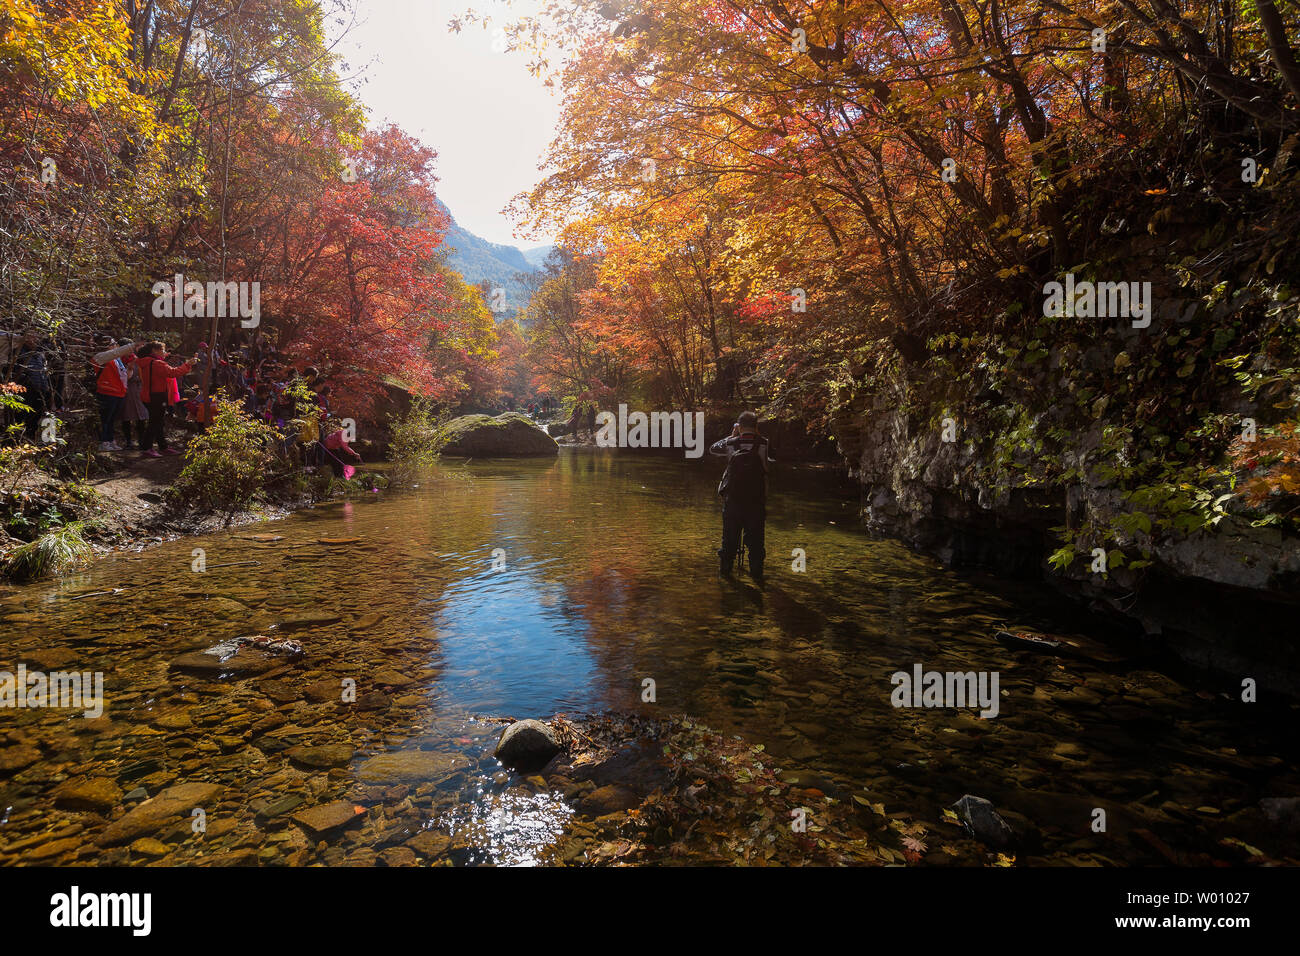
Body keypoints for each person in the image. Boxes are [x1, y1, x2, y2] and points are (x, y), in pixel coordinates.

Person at [709, 410, 771, 578]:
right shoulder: (764, 444)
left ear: (740, 426)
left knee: (729, 540)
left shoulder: (730, 444)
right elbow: (768, 467)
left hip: (733, 501)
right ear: (756, 426)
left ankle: (725, 574)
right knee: (756, 543)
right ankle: (757, 576)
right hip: (756, 501)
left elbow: (713, 449)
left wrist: (731, 435)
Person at [136, 342, 195, 457]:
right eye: (162, 350)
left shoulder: (147, 362)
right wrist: (188, 364)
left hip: (148, 395)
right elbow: (174, 372)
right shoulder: (157, 363)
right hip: (157, 396)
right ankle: (147, 448)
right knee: (155, 422)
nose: (165, 352)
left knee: (158, 421)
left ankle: (162, 447)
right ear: (154, 350)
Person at [90, 335, 139, 451]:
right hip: (107, 392)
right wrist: (133, 346)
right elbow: (114, 353)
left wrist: (130, 368)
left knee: (112, 419)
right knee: (105, 419)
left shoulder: (117, 359)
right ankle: (104, 442)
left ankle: (111, 440)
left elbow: (126, 376)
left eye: (115, 343)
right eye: (113, 344)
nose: (115, 346)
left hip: (119, 393)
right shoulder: (100, 357)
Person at [118, 339, 149, 450]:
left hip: (138, 390)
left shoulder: (137, 359)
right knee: (126, 417)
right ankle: (128, 441)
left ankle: (141, 440)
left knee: (141, 416)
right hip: (125, 391)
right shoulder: (118, 360)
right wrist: (129, 369)